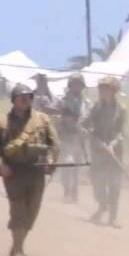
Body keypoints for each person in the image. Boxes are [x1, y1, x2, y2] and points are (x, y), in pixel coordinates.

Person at [0, 83, 60, 256]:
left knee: (32, 211)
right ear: (14, 99)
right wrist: (0, 165)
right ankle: (18, 249)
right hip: (13, 173)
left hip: (36, 172)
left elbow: (55, 144)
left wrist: (51, 160)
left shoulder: (42, 120)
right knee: (17, 209)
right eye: (22, 97)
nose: (25, 100)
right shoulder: (1, 123)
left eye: (28, 97)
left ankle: (18, 245)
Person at [85, 76, 127, 227]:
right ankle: (102, 205)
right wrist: (97, 142)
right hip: (98, 151)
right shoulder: (96, 108)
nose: (102, 91)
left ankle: (113, 217)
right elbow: (85, 126)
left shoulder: (121, 109)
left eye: (106, 88)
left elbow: (121, 132)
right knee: (98, 182)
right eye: (101, 88)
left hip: (115, 152)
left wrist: (113, 144)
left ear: (113, 91)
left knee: (115, 184)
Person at [55, 73, 89, 203]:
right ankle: (67, 191)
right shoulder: (62, 101)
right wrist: (64, 121)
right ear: (70, 85)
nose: (77, 87)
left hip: (79, 139)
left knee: (76, 167)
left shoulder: (86, 102)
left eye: (79, 84)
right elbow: (57, 117)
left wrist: (84, 129)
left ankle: (74, 192)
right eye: (74, 84)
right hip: (65, 137)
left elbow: (87, 119)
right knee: (67, 164)